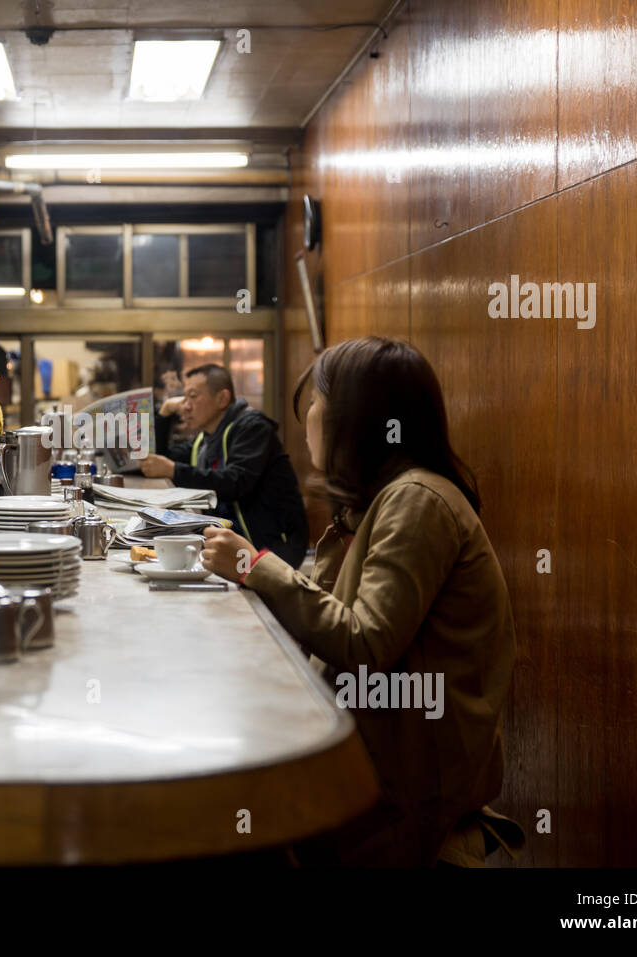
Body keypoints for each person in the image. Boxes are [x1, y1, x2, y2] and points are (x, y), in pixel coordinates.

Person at [200, 337, 517, 866]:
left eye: (316, 406)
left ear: (357, 417)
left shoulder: (418, 500)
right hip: (378, 760)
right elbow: (331, 616)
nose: (308, 422)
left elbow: (364, 641)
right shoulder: (381, 501)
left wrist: (254, 565)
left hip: (407, 788)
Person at [139, 363, 309, 567]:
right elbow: (161, 459)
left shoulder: (252, 428)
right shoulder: (204, 440)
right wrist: (165, 414)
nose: (185, 406)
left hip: (271, 546)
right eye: (184, 398)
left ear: (222, 398)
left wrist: (174, 470)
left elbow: (236, 482)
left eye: (193, 396)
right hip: (231, 542)